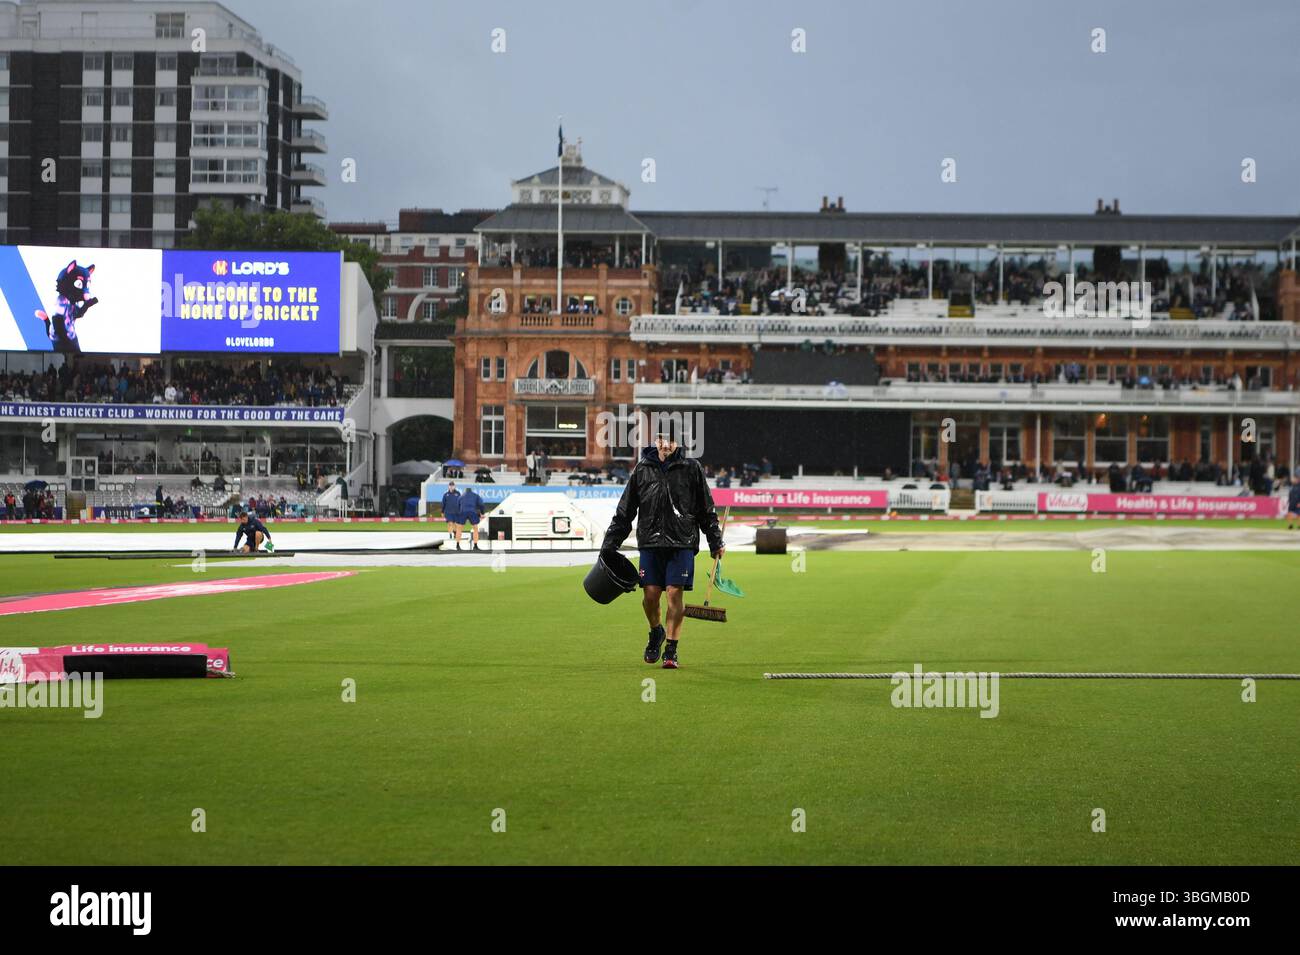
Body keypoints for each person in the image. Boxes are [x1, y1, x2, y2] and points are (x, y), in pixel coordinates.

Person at [601, 433, 724, 670]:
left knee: (673, 595)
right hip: (650, 542)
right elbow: (625, 511)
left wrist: (715, 541)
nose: (665, 444)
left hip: (682, 542)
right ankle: (656, 631)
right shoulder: (641, 469)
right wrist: (610, 544)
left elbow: (706, 508)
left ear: (678, 442)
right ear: (655, 441)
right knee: (650, 597)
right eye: (660, 439)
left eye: (670, 440)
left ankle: (671, 649)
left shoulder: (692, 468)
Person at [441, 481, 462, 546]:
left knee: (455, 524)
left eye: (452, 485)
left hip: (456, 512)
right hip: (448, 512)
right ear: (448, 486)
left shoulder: (458, 493)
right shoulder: (446, 494)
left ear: (454, 486)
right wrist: (442, 511)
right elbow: (443, 503)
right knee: (450, 523)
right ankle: (450, 534)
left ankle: (455, 533)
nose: (451, 487)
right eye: (450, 485)